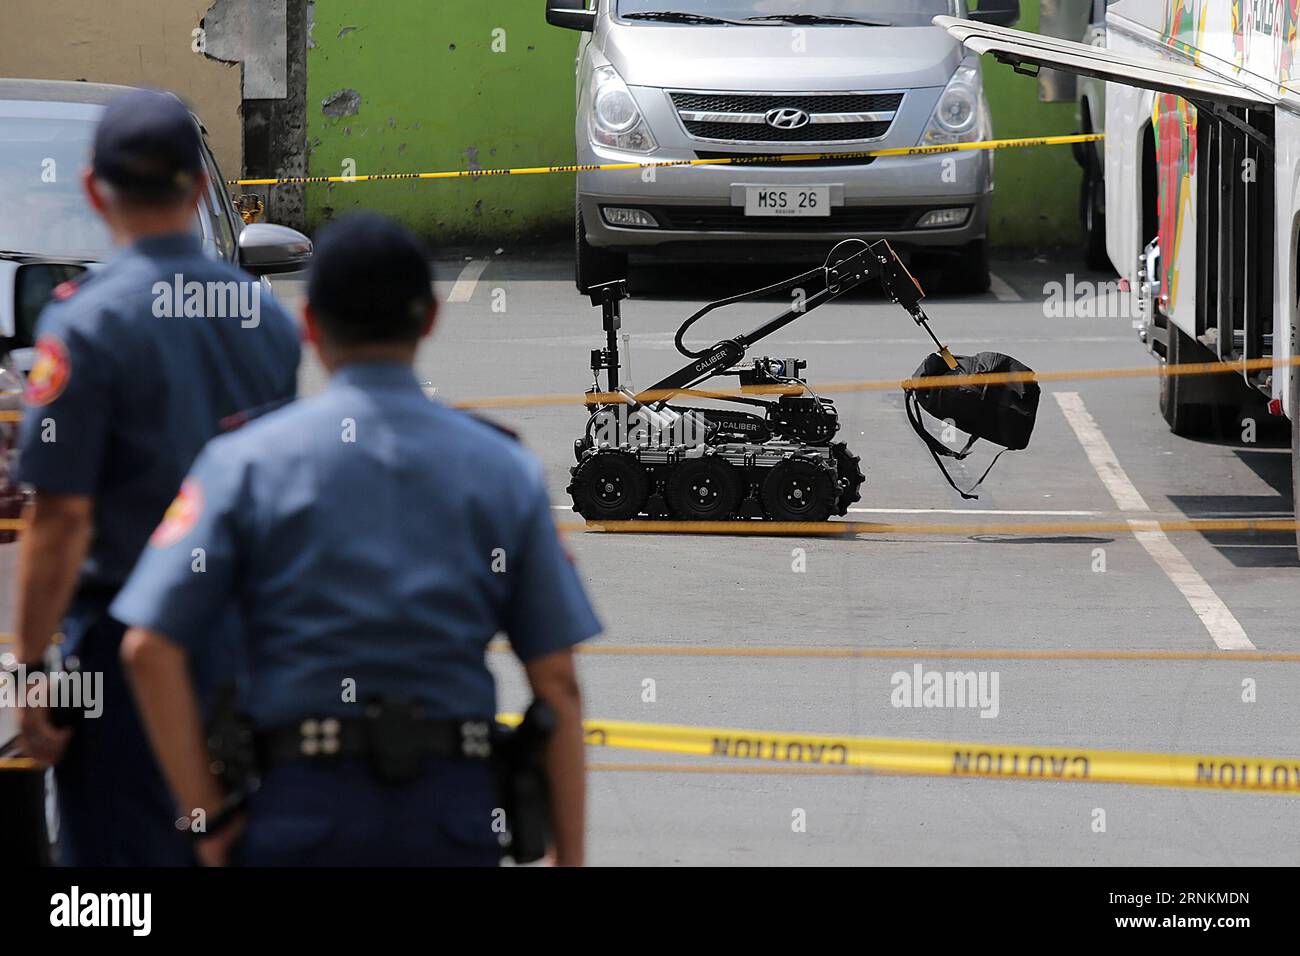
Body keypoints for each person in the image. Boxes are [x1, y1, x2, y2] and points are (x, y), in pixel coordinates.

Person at [114, 213, 599, 867]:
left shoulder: (246, 463)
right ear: (429, 318)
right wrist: (570, 859)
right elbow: (558, 684)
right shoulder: (500, 467)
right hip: (451, 819)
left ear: (309, 324)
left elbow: (148, 648)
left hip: (299, 814)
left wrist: (207, 820)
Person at [13, 89, 301, 865]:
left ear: (91, 190)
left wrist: (36, 669)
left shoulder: (85, 324)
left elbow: (63, 521)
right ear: (201, 187)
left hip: (117, 651)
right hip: (245, 643)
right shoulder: (265, 320)